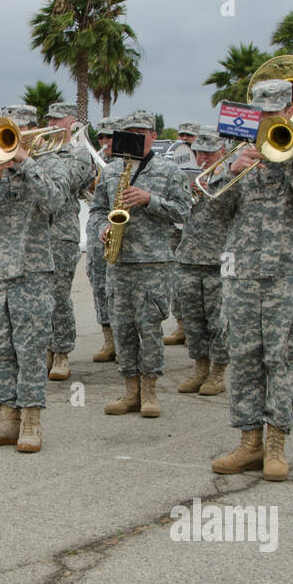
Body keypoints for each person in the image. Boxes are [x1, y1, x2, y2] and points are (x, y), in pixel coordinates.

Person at [210, 79, 293, 481]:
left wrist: (289, 156)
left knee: (278, 358)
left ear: (290, 112)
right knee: (243, 358)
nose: (266, 120)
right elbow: (212, 211)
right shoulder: (236, 155)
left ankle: (277, 444)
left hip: (285, 275)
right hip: (241, 273)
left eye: (274, 113)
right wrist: (232, 171)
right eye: (260, 113)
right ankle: (248, 443)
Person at [0, 104, 62, 452]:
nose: (9, 140)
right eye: (6, 132)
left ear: (31, 134)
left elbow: (55, 202)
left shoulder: (48, 164)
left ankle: (31, 421)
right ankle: (6, 419)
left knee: (30, 350)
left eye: (16, 132)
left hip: (32, 272)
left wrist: (25, 163)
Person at [88, 111, 190, 418]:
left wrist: (150, 200)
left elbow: (185, 211)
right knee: (123, 329)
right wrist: (101, 228)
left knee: (149, 328)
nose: (135, 136)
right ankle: (130, 390)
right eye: (129, 132)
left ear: (153, 136)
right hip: (118, 261)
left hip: (153, 263)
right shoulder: (111, 171)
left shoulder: (169, 171)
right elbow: (96, 211)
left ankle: (150, 392)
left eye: (141, 132)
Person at [174, 127, 231, 395]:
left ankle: (218, 372)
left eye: (210, 153)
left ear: (222, 152)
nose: (204, 158)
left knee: (218, 321)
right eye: (200, 153)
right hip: (188, 258)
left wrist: (214, 187)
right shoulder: (187, 179)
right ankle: (200, 368)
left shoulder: (232, 178)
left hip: (219, 260)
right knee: (193, 319)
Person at [43, 102, 97, 381]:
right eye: (49, 119)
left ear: (71, 123)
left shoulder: (79, 154)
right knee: (39, 296)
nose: (51, 124)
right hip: (36, 233)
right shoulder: (37, 152)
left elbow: (66, 185)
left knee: (59, 296)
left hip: (62, 233)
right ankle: (45, 350)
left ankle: (62, 352)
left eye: (57, 120)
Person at [164, 122, 201, 345]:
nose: (185, 138)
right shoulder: (173, 160)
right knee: (177, 280)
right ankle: (181, 326)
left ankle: (194, 329)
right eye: (182, 134)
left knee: (194, 283)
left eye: (190, 135)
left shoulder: (209, 161)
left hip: (199, 232)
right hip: (176, 229)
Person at [86, 118, 119, 362]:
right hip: (98, 231)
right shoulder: (93, 160)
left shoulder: (126, 163)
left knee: (119, 288)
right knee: (99, 285)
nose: (105, 142)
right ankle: (108, 340)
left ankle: (124, 341)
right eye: (101, 137)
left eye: (110, 137)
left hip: (123, 231)